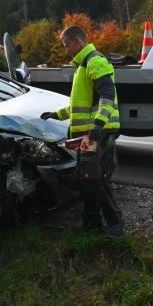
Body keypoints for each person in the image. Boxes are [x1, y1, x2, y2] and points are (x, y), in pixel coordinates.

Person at [40, 25, 122, 236]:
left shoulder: (94, 61)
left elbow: (107, 95)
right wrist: (56, 114)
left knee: (91, 176)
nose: (66, 50)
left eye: (67, 45)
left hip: (96, 132)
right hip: (89, 133)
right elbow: (78, 106)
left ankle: (115, 223)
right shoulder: (82, 66)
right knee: (87, 178)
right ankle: (91, 225)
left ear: (77, 41)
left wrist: (98, 125)